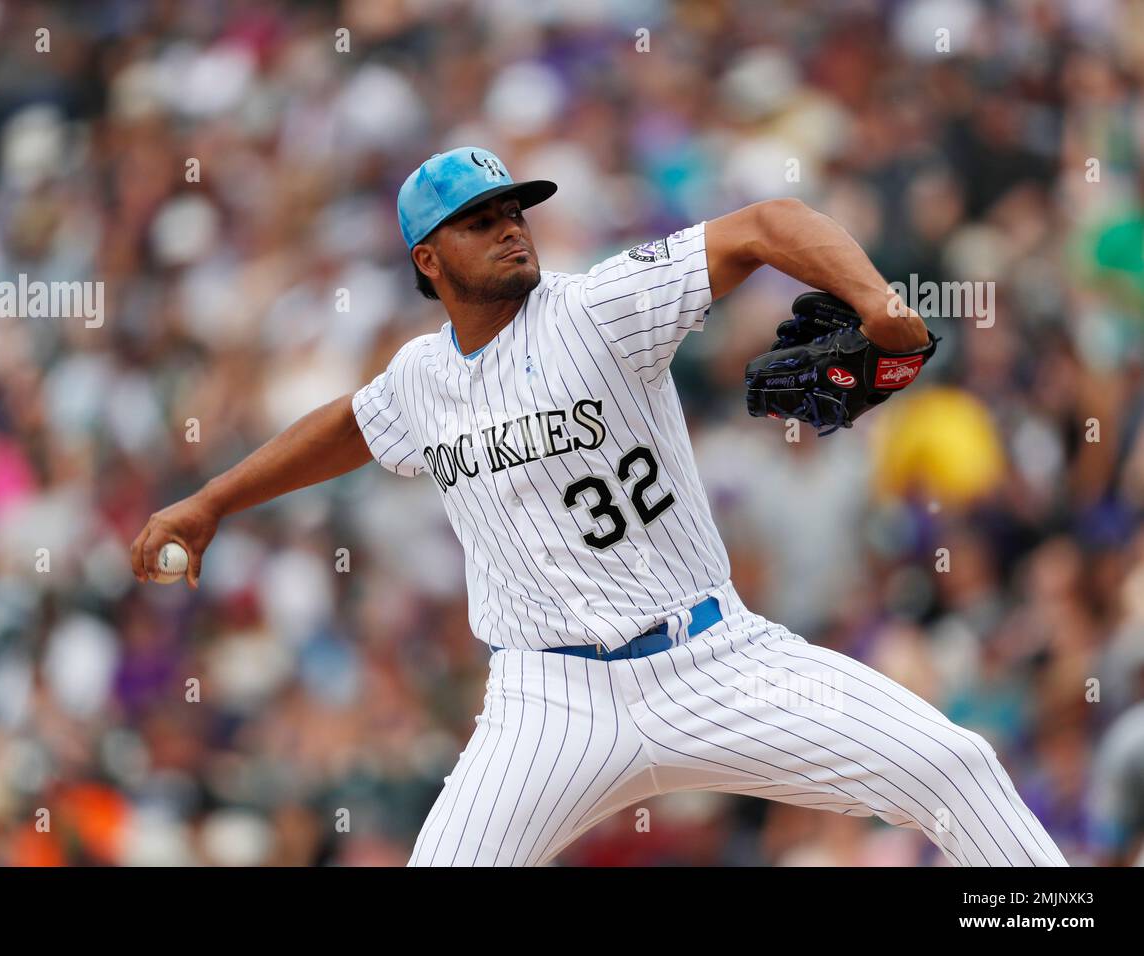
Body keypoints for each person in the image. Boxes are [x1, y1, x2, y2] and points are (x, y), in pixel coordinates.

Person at [130, 146, 1067, 866]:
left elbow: (766, 223)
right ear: (428, 257)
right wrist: (213, 501)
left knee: (957, 769)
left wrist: (876, 302)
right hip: (549, 701)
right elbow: (350, 424)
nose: (510, 228)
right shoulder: (421, 379)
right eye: (478, 220)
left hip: (715, 660)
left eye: (513, 210)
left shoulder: (597, 308)